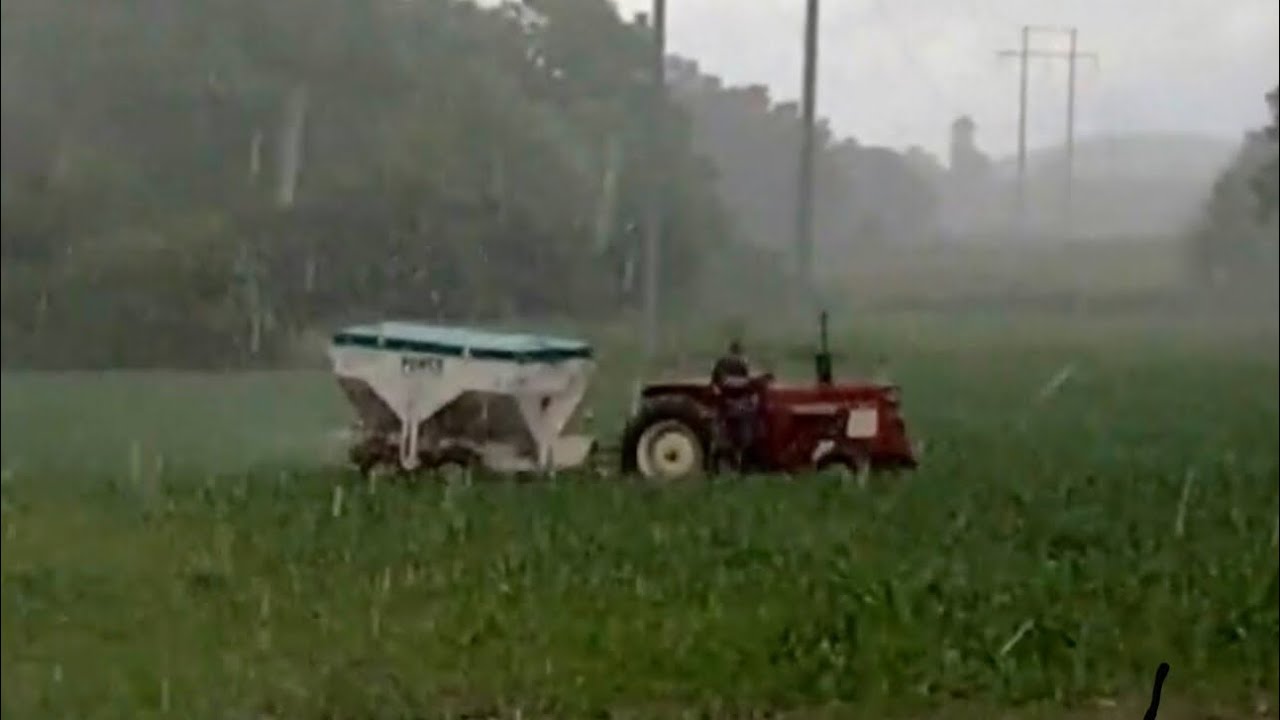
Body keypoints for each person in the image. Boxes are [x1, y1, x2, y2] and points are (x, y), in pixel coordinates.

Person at [711, 339, 755, 469]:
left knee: (723, 437)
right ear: (739, 351)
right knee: (743, 438)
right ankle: (741, 465)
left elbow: (715, 382)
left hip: (725, 404)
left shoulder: (722, 362)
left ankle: (718, 466)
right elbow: (747, 383)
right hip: (739, 405)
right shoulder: (742, 364)